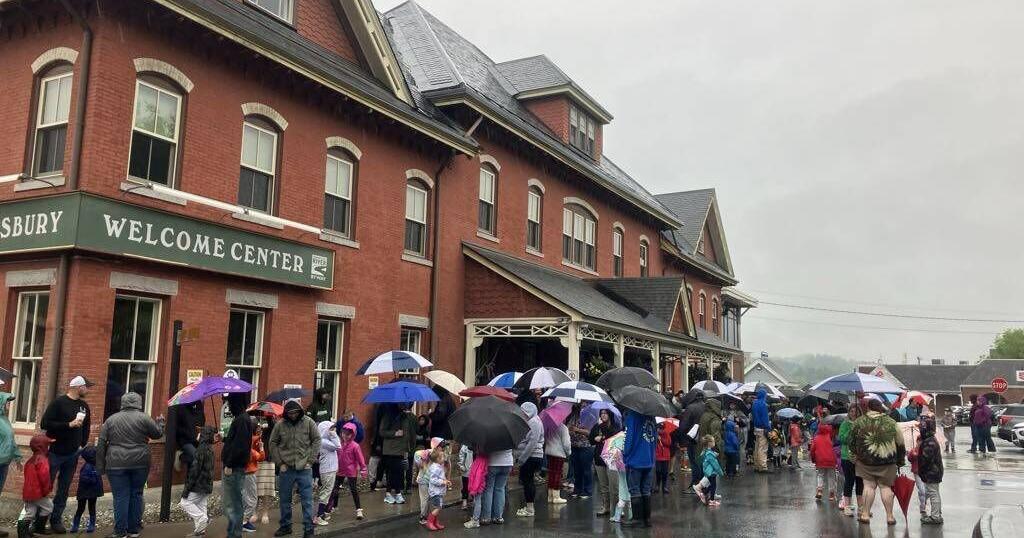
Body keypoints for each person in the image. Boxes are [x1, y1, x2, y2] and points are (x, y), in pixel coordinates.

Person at [95, 392, 164, 538]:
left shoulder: (111, 420)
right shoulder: (144, 418)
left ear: (123, 403)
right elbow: (157, 434)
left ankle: (120, 532)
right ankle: (133, 530)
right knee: (137, 494)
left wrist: (100, 466)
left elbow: (101, 443)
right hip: (140, 461)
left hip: (116, 463)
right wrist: (160, 423)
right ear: (139, 403)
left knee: (120, 496)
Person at [39, 375, 93, 533]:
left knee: (64, 489)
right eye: (86, 386)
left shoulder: (84, 406)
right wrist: (68, 425)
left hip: (73, 454)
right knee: (45, 486)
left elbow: (86, 427)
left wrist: (82, 444)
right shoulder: (58, 403)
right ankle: (39, 521)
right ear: (78, 387)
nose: (88, 390)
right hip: (55, 452)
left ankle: (56, 520)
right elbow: (45, 423)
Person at [269, 399, 320, 538]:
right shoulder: (280, 425)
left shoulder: (309, 422)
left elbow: (317, 439)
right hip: (287, 468)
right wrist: (280, 463)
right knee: (285, 499)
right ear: (286, 413)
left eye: (295, 412)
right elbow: (272, 442)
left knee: (307, 500)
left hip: (305, 468)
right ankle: (285, 526)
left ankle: (308, 529)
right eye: (290, 413)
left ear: (300, 411)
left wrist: (310, 461)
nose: (293, 415)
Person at [851, 398, 905, 526]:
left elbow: (851, 441)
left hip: (866, 461)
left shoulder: (859, 422)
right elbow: (900, 443)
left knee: (868, 486)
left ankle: (865, 514)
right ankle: (890, 516)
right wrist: (900, 460)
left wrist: (856, 454)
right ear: (880, 408)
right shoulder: (891, 422)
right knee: (885, 487)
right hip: (888, 461)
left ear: (868, 408)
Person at [221, 394, 253, 538]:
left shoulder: (241, 420)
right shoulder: (242, 419)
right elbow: (237, 442)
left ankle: (234, 534)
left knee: (233, 504)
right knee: (233, 503)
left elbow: (239, 446)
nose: (229, 406)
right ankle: (232, 533)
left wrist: (229, 464)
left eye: (230, 403)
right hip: (235, 466)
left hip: (234, 468)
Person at [180, 426, 217, 537]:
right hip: (207, 484)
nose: (198, 435)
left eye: (200, 433)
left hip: (198, 484)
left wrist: (187, 489)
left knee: (185, 502)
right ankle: (200, 531)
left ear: (203, 435)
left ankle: (203, 519)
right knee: (201, 506)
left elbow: (195, 471)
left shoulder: (201, 449)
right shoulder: (209, 449)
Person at [622, 410, 656, 528]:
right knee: (646, 490)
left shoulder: (632, 416)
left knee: (634, 489)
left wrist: (625, 454)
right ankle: (647, 519)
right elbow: (654, 438)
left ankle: (637, 519)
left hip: (635, 460)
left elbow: (629, 438)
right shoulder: (651, 417)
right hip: (649, 459)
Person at [379, 403, 416, 504]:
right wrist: (395, 433)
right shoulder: (388, 415)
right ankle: (389, 494)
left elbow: (410, 432)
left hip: (401, 449)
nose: (405, 405)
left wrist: (410, 447)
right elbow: (382, 431)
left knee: (399, 472)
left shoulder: (405, 416)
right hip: (391, 449)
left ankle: (397, 493)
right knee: (392, 473)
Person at [18, 434, 54, 536]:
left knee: (30, 512)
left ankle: (23, 533)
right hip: (38, 492)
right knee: (49, 507)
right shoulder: (42, 460)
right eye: (47, 445)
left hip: (28, 492)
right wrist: (47, 491)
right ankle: (39, 527)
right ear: (42, 447)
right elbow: (44, 478)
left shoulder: (31, 460)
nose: (48, 447)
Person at [515, 402, 545, 517]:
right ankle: (529, 507)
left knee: (528, 481)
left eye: (524, 412)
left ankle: (530, 509)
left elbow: (532, 442)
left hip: (531, 456)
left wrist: (522, 459)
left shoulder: (534, 422)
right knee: (527, 481)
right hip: (531, 456)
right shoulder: (533, 421)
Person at [590, 408, 621, 515]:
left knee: (614, 485)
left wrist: (602, 436)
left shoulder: (615, 426)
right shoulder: (597, 426)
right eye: (601, 413)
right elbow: (590, 439)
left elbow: (614, 437)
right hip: (599, 458)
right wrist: (595, 435)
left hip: (612, 458)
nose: (603, 415)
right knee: (603, 486)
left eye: (605, 413)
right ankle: (606, 506)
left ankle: (617, 508)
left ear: (610, 414)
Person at [334, 422, 367, 520]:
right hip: (340, 469)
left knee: (353, 490)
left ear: (352, 435)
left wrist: (363, 470)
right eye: (343, 433)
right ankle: (334, 506)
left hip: (351, 470)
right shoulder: (339, 444)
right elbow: (336, 456)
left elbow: (361, 460)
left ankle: (359, 510)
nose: (345, 436)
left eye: (348, 434)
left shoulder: (355, 446)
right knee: (335, 488)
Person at [916, 415, 944, 525]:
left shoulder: (929, 442)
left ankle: (935, 516)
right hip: (933, 472)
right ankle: (936, 513)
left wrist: (922, 471)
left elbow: (926, 459)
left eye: (922, 428)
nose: (920, 429)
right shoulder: (929, 440)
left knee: (933, 493)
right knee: (933, 492)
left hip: (931, 472)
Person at [0, 391, 22, 529]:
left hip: (4, 463)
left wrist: (18, 457)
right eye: (7, 402)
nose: (9, 404)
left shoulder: (5, 419)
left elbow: (11, 440)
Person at [676, 388, 706, 489]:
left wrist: (682, 440)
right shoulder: (706, 406)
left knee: (694, 462)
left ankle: (695, 484)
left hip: (693, 440)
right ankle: (703, 484)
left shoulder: (690, 408)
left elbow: (683, 426)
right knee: (702, 462)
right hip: (705, 439)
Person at [314, 421, 341, 526]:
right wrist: (333, 434)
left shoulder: (325, 440)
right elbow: (338, 446)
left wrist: (332, 435)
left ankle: (321, 514)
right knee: (326, 492)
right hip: (328, 469)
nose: (334, 431)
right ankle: (319, 516)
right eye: (331, 429)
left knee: (327, 492)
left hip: (329, 469)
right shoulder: (323, 441)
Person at [70, 445, 102, 533]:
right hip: (89, 490)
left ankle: (76, 525)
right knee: (89, 507)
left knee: (81, 508)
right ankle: (89, 524)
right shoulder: (92, 466)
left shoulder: (89, 466)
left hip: (85, 490)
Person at [479, 447, 513, 525]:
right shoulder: (509, 435)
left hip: (493, 462)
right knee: (500, 489)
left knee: (489, 489)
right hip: (508, 463)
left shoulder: (491, 435)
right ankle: (498, 517)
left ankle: (486, 517)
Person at [242, 422, 266, 532]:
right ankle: (243, 521)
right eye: (257, 428)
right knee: (252, 499)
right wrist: (261, 448)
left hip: (242, 474)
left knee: (245, 498)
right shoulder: (250, 443)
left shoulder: (242, 440)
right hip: (249, 474)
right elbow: (261, 457)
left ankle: (242, 520)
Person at [566, 405, 593, 499]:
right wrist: (570, 430)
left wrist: (577, 430)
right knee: (577, 470)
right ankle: (577, 489)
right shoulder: (573, 416)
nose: (581, 406)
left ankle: (587, 490)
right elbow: (569, 427)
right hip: (574, 445)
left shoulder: (589, 417)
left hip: (585, 446)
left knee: (586, 470)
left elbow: (590, 432)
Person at [254, 418, 277, 525]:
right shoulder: (253, 425)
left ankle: (265, 513)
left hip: (267, 461)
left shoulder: (270, 427)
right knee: (254, 489)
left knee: (266, 489)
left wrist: (269, 421)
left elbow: (273, 427)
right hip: (255, 461)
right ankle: (254, 512)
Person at [544, 419, 571, 505]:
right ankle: (556, 496)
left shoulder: (549, 427)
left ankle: (550, 495)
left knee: (551, 474)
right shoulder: (563, 428)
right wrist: (569, 452)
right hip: (559, 453)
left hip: (549, 452)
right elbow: (566, 444)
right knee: (557, 474)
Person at [692, 435, 723, 507]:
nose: (714, 442)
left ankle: (704, 493)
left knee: (711, 485)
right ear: (709, 443)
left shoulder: (707, 452)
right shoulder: (710, 453)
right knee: (713, 486)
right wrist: (720, 471)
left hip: (709, 472)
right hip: (711, 472)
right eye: (713, 441)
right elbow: (715, 464)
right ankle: (712, 500)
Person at [424, 446, 451, 531]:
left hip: (438, 491)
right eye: (442, 457)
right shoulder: (436, 468)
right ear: (438, 459)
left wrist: (445, 481)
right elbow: (433, 480)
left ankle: (435, 522)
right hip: (436, 492)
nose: (444, 458)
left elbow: (441, 476)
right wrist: (443, 482)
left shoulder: (438, 466)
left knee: (438, 508)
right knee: (438, 508)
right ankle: (430, 522)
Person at [175, 401, 206, 473]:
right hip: (185, 440)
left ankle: (190, 481)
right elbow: (177, 427)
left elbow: (201, 423)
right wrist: (187, 433)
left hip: (196, 440)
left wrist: (200, 412)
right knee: (196, 456)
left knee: (194, 461)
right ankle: (181, 456)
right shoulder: (181, 408)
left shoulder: (198, 408)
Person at [810, 423, 837, 502]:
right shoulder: (831, 436)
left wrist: (813, 459)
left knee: (820, 475)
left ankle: (819, 490)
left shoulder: (816, 438)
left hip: (820, 459)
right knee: (831, 476)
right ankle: (831, 494)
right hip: (831, 459)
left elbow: (812, 450)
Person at [698, 398, 725, 476]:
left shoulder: (704, 415)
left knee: (705, 470)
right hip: (711, 448)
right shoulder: (714, 418)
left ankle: (702, 486)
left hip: (703, 446)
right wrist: (719, 450)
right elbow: (716, 435)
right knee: (711, 473)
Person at [751, 388, 771, 472]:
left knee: (757, 447)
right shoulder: (763, 404)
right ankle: (762, 466)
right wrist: (768, 427)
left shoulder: (754, 403)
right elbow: (764, 418)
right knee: (762, 448)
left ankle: (756, 465)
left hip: (756, 427)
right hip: (763, 428)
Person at [654, 421, 672, 494]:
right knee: (658, 471)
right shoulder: (655, 435)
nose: (660, 430)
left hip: (665, 456)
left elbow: (669, 443)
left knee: (664, 472)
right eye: (659, 428)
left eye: (662, 428)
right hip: (658, 456)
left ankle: (664, 486)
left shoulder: (666, 434)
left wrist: (661, 439)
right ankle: (657, 485)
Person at [458, 443, 473, 511]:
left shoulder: (479, 443)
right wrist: (461, 465)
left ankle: (474, 499)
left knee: (475, 486)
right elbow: (461, 455)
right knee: (465, 486)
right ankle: (464, 501)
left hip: (476, 470)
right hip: (466, 470)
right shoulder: (465, 445)